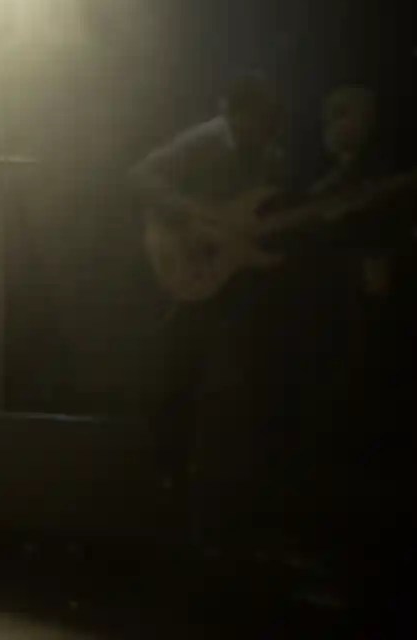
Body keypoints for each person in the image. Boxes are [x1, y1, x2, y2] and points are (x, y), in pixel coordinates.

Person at [130, 72, 289, 550]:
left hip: (230, 280)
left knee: (228, 385)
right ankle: (170, 488)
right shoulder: (205, 140)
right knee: (185, 377)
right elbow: (141, 176)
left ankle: (213, 502)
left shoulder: (268, 157)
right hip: (194, 271)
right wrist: (195, 215)